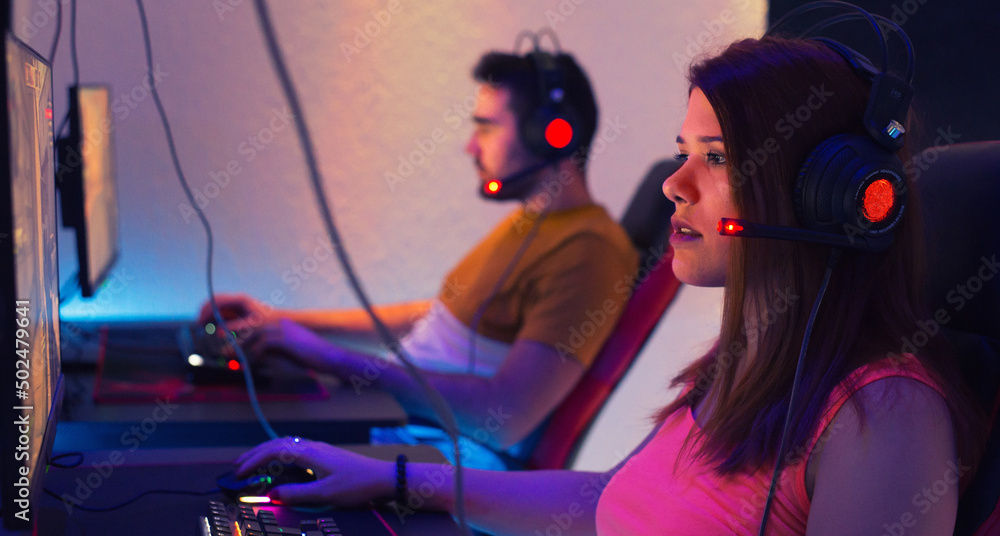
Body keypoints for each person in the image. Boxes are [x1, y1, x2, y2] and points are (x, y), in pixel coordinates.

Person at [232, 34, 988, 535]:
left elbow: (508, 423)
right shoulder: (740, 368)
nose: (675, 186)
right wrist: (393, 479)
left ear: (830, 195)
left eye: (719, 158)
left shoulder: (884, 418)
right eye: (680, 152)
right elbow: (607, 502)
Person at [200, 48, 640, 456]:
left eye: (486, 127)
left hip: (435, 453)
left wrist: (325, 355)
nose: (471, 146)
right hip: (396, 421)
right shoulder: (533, 224)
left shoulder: (590, 251)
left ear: (552, 135)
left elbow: (503, 419)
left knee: (210, 445)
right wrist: (283, 322)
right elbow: (439, 316)